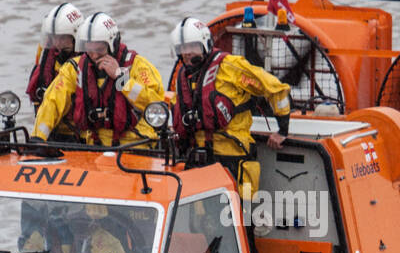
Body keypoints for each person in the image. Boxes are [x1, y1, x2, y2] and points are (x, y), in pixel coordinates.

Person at [167, 16, 291, 198]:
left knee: (242, 213)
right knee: (203, 218)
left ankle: (253, 225)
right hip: (199, 157)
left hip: (234, 154)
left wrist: (283, 129)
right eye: (182, 48)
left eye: (193, 47)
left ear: (205, 44)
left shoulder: (231, 67)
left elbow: (275, 88)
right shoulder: (184, 78)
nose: (187, 53)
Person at [33, 12, 164, 146]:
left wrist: (122, 79)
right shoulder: (74, 68)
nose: (95, 56)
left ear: (113, 44)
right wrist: (39, 137)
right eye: (89, 50)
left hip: (136, 145)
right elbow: (52, 101)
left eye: (99, 49)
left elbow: (157, 105)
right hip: (94, 148)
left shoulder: (138, 66)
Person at [25, 2, 83, 112]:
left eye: (62, 38)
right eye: (53, 38)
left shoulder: (92, 60)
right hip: (52, 123)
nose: (57, 43)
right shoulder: (46, 60)